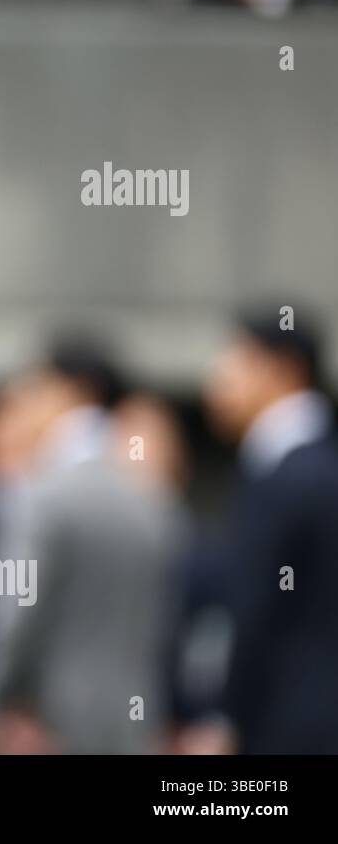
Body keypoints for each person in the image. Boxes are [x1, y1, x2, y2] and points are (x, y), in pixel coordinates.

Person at [0, 337, 180, 754]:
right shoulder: (154, 502)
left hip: (45, 729)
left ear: (68, 389)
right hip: (132, 729)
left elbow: (10, 619)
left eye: (31, 390)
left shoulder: (40, 494)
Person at [204, 305, 338, 753]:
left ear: (281, 367)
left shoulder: (282, 477)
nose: (218, 380)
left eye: (235, 361)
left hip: (286, 729)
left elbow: (253, 614)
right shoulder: (312, 467)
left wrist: (227, 717)